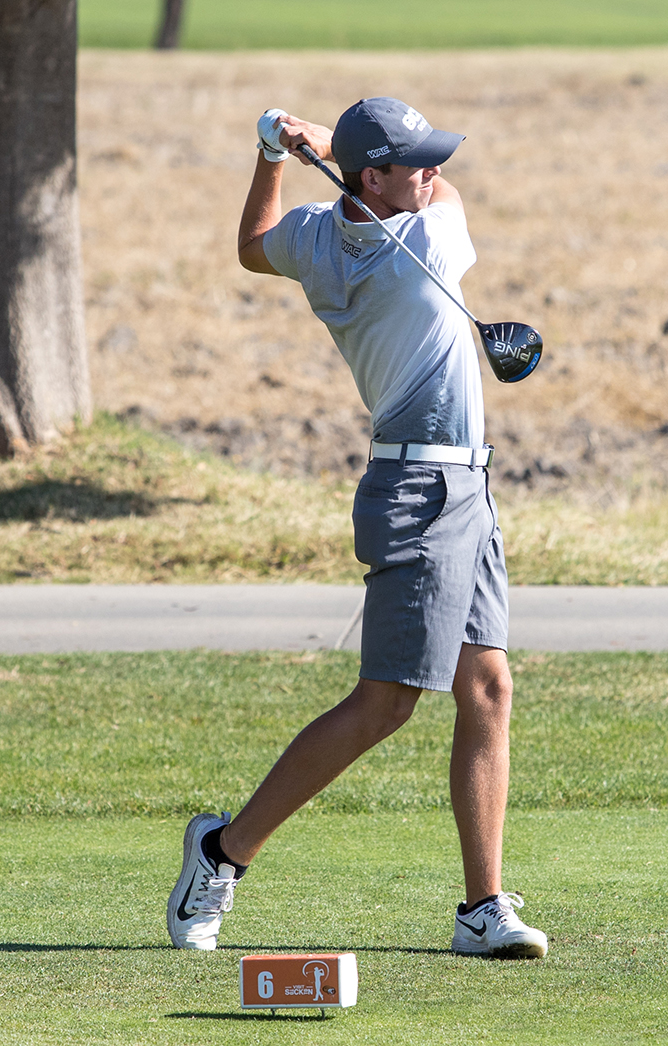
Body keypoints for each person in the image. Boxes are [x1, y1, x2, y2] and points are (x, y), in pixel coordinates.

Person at [166, 98, 547, 959]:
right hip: (420, 490)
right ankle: (223, 852)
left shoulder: (315, 239)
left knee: (487, 688)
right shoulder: (427, 243)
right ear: (371, 176)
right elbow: (448, 204)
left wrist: (275, 151)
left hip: (459, 485)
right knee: (386, 703)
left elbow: (251, 246)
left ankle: (481, 907)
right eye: (416, 163)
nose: (435, 174)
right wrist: (326, 144)